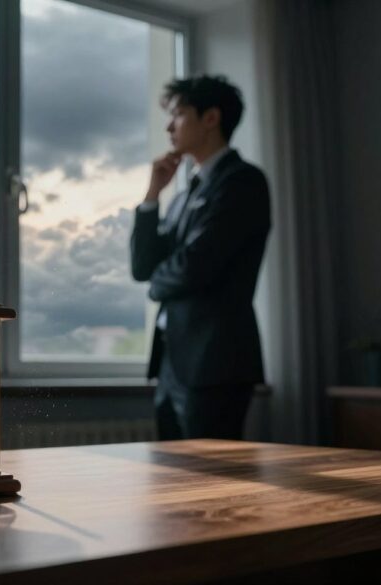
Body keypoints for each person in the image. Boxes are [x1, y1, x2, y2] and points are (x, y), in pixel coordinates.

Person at [130, 75, 271, 441]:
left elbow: (196, 267)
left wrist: (156, 288)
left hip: (216, 363)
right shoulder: (180, 196)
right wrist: (152, 194)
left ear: (210, 118)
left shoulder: (243, 182)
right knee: (170, 484)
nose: (168, 126)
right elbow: (143, 268)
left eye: (177, 114)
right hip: (171, 363)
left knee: (214, 487)